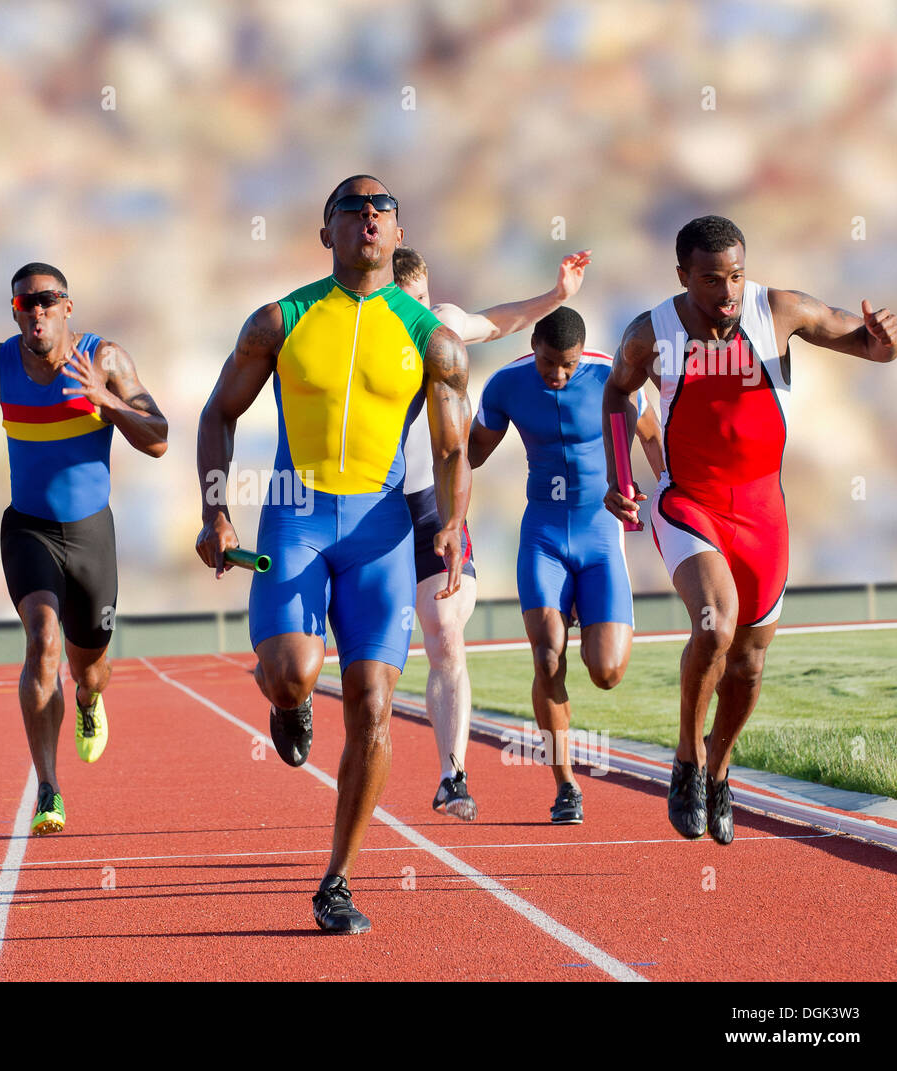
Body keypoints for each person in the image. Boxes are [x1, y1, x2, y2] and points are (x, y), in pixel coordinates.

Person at [196, 176, 471, 934]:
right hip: (295, 515)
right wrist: (216, 510)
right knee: (290, 674)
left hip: (381, 531)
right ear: (328, 235)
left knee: (375, 707)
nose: (369, 219)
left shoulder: (431, 337)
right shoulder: (281, 319)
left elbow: (452, 447)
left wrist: (452, 523)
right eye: (352, 210)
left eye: (382, 209)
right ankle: (288, 706)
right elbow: (219, 412)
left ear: (397, 229)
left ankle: (337, 881)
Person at [604, 215, 897, 844]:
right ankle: (685, 760)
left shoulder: (780, 309)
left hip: (764, 514)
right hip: (690, 502)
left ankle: (719, 767)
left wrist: (886, 344)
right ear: (683, 276)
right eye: (712, 279)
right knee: (715, 621)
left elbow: (866, 344)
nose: (728, 291)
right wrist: (620, 480)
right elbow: (617, 396)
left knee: (750, 665)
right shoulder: (649, 334)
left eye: (736, 275)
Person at [0, 263, 166, 837]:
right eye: (25, 304)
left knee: (90, 669)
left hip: (92, 535)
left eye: (47, 301)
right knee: (41, 639)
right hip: (28, 529)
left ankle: (89, 702)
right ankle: (48, 788)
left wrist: (106, 400)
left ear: (67, 307)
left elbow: (160, 439)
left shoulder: (106, 360)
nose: (37, 311)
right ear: (15, 313)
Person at [392, 245, 593, 820]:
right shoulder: (361, 333)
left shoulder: (441, 325)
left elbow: (498, 321)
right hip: (367, 508)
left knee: (445, 631)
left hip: (430, 506)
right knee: (365, 654)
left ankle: (452, 776)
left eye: (426, 300)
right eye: (410, 304)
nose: (422, 316)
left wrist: (556, 296)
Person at [471, 307, 663, 822]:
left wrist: (666, 491)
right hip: (544, 536)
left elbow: (650, 435)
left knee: (606, 672)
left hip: (601, 537)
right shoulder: (505, 385)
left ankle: (590, 617)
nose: (558, 374)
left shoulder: (607, 375)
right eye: (550, 363)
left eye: (568, 366)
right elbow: (468, 456)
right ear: (534, 344)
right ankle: (567, 785)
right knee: (548, 658)